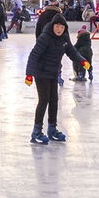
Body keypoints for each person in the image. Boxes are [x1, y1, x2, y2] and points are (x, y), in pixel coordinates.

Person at [26, 16, 71, 144]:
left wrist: (82, 60)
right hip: (40, 73)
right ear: (52, 26)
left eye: (62, 27)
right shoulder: (45, 37)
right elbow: (34, 54)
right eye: (57, 26)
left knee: (54, 100)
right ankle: (36, 132)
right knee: (44, 100)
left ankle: (52, 129)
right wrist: (29, 74)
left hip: (52, 72)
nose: (59, 29)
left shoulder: (64, 38)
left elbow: (71, 51)